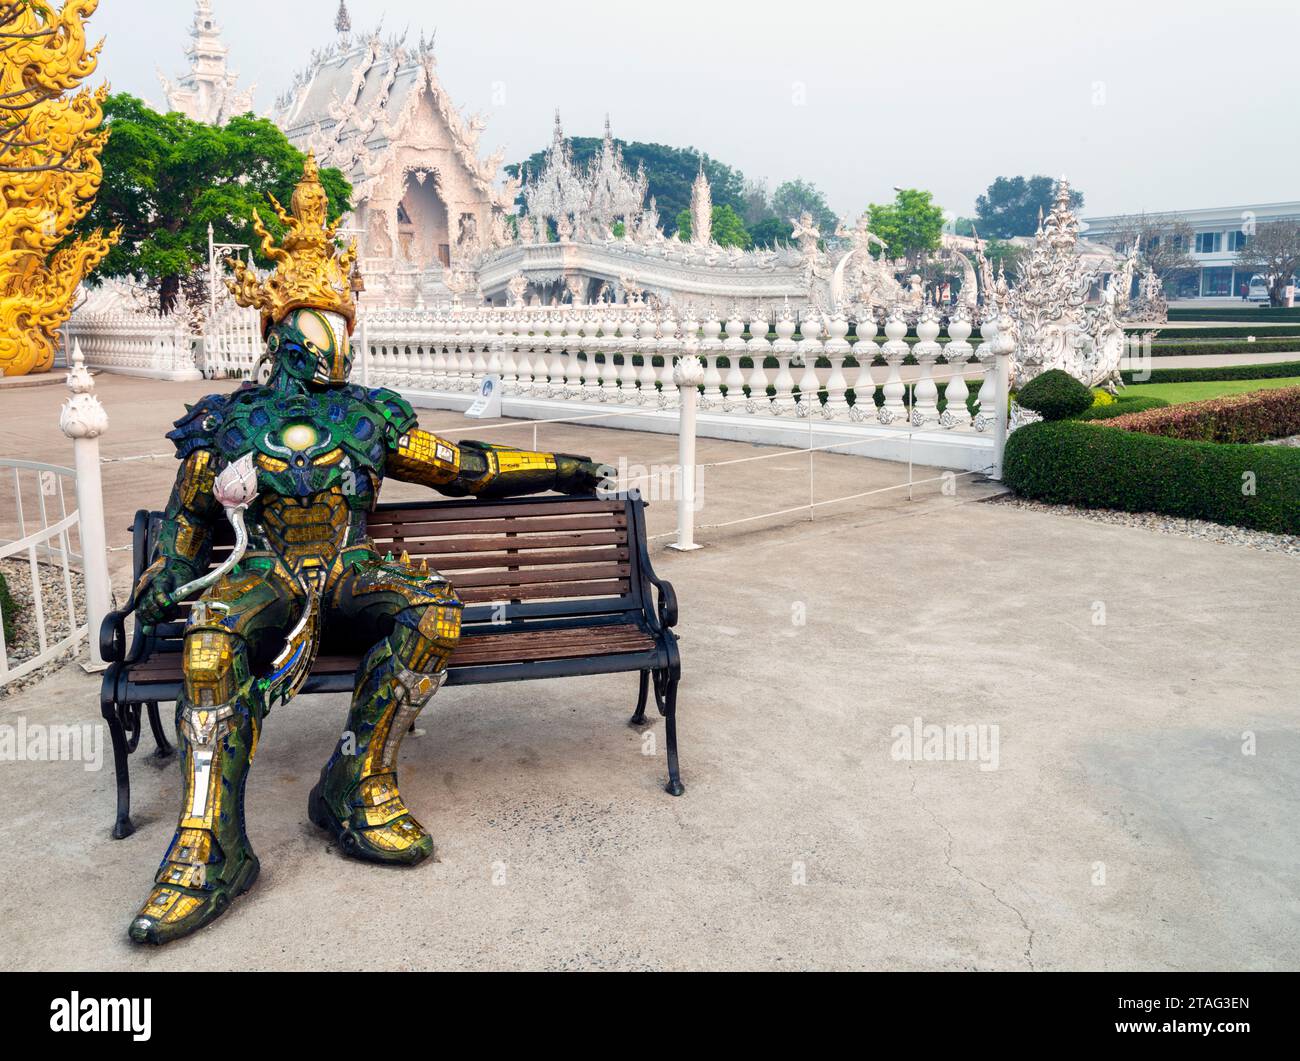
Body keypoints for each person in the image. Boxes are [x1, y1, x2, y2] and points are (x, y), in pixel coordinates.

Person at [127, 155, 606, 944]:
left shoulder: (367, 418)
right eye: (308, 330)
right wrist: (164, 580)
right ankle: (210, 845)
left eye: (331, 328)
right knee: (210, 651)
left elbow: (462, 470)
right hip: (262, 572)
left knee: (433, 613)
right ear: (275, 332)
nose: (320, 345)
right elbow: (186, 521)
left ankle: (356, 779)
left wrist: (559, 467)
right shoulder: (228, 421)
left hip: (349, 569)